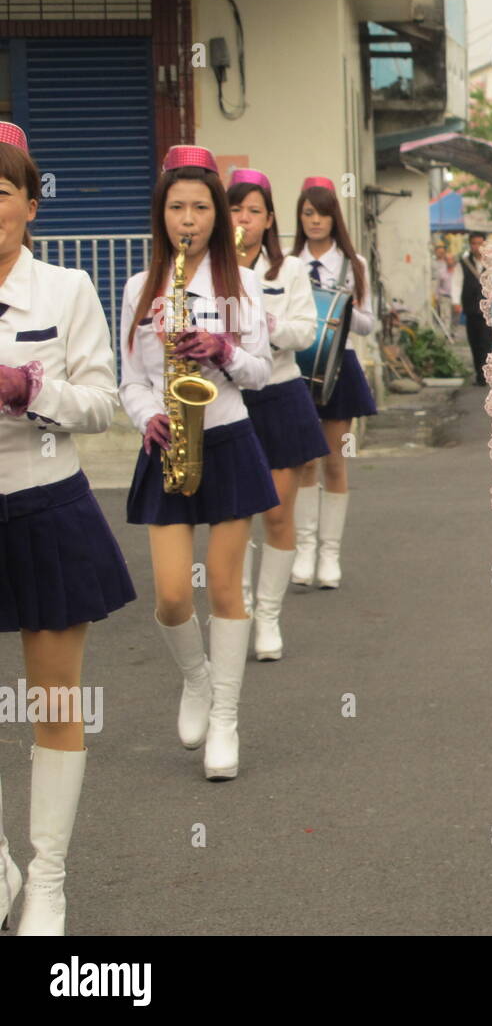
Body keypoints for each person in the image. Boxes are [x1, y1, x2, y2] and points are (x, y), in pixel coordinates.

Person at [0, 122, 135, 935]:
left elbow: (103, 399)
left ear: (28, 204)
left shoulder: (67, 290)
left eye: (1, 191)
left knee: (54, 704)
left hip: (45, 506)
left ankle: (47, 879)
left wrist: (31, 391)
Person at [120, 144, 276, 783]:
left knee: (225, 583)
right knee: (173, 595)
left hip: (229, 438)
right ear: (161, 214)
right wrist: (145, 416)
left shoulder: (239, 286)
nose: (188, 219)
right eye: (177, 207)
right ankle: (195, 678)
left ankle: (226, 718)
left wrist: (224, 349)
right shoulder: (140, 287)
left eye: (200, 207)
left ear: (219, 214)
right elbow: (127, 380)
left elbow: (262, 374)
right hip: (167, 445)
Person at [228, 168, 329, 659]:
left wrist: (262, 324)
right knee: (233, 515)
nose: (243, 219)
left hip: (281, 393)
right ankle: (240, 610)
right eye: (235, 209)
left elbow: (306, 332)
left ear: (269, 218)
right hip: (228, 400)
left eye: (253, 210)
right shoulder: (209, 270)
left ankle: (268, 617)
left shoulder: (286, 270)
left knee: (274, 511)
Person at [290, 176, 377, 589]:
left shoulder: (352, 263)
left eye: (323, 213)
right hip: (296, 369)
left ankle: (330, 555)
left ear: (334, 217)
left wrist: (346, 312)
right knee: (304, 461)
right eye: (308, 213)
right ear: (299, 217)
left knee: (334, 461)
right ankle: (304, 550)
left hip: (338, 370)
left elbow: (368, 322)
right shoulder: (287, 263)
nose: (315, 220)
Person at [460, 230, 491, 385]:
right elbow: (457, 282)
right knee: (474, 342)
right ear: (470, 245)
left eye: (480, 244)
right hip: (471, 309)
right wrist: (456, 302)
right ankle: (479, 373)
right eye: (474, 244)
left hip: (488, 309)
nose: (477, 247)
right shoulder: (464, 263)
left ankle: (486, 373)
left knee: (486, 341)